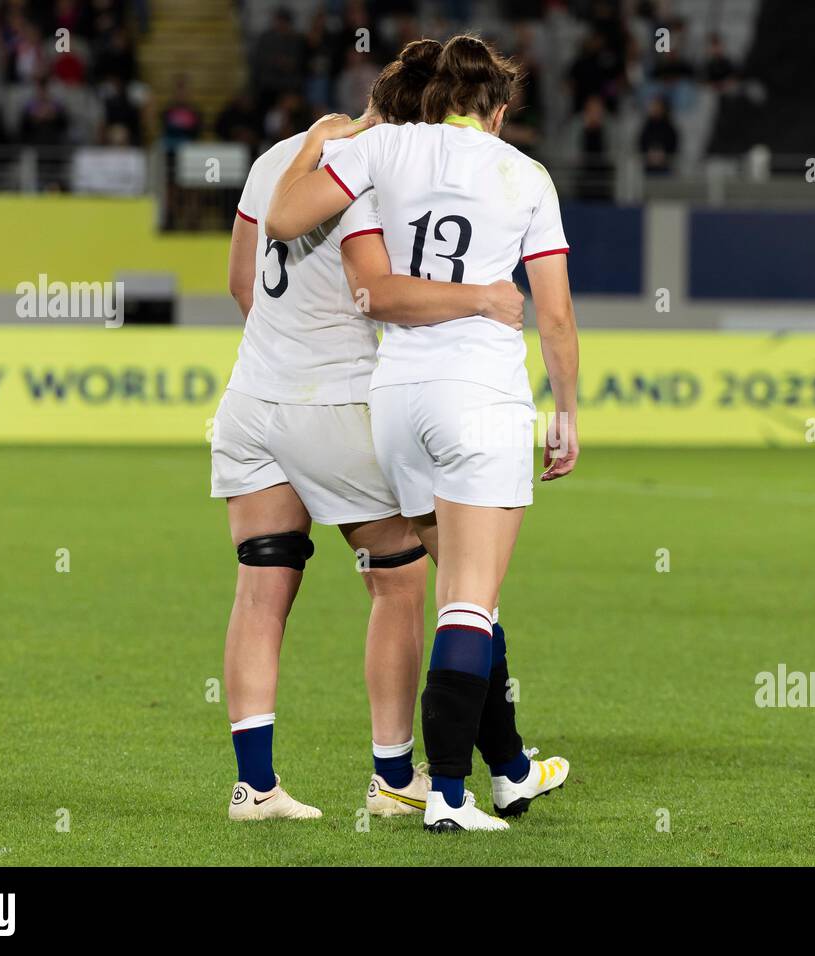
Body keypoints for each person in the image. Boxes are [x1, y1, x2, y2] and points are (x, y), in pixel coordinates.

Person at [266, 34, 580, 832]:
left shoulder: (387, 149)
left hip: (399, 399)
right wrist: (568, 410)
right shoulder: (526, 175)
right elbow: (556, 312)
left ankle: (509, 770)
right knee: (469, 602)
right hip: (480, 396)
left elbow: (283, 217)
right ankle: (447, 794)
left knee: (466, 592)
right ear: (499, 110)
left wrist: (320, 140)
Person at [215, 39, 526, 821]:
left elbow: (239, 281)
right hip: (336, 401)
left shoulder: (283, 157)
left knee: (261, 588)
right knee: (405, 580)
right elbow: (375, 291)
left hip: (252, 397)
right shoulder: (380, 168)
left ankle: (255, 786)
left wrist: (285, 351)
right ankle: (396, 777)